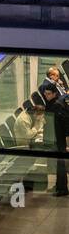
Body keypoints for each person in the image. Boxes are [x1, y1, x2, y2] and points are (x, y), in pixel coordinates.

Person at [40, 68, 69, 197]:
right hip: (55, 138)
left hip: (59, 139)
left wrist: (67, 142)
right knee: (59, 165)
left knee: (61, 165)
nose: (46, 96)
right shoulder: (52, 103)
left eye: (48, 94)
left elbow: (64, 124)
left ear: (54, 94)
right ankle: (59, 187)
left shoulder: (56, 106)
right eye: (45, 94)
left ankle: (62, 189)